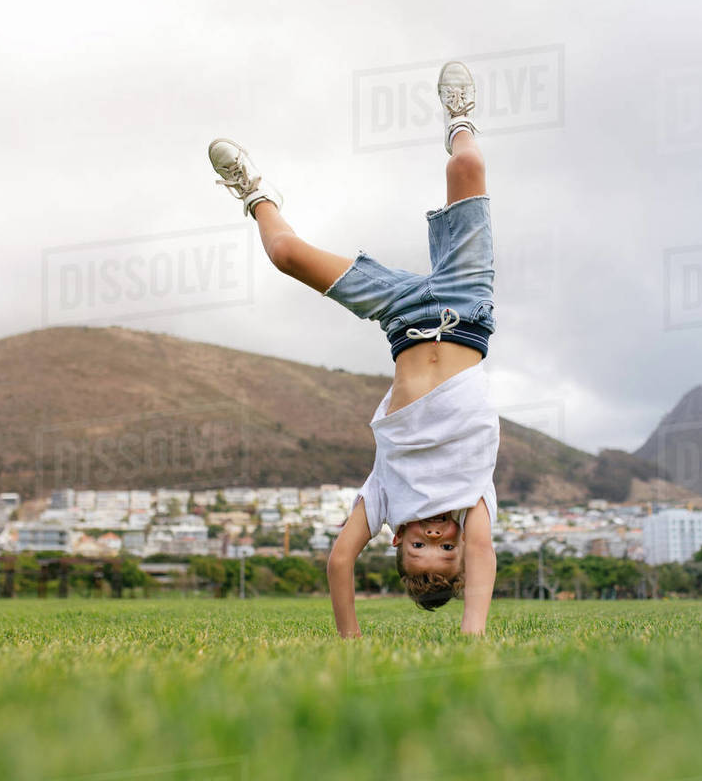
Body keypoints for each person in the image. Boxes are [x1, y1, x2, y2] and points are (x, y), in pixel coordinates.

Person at [208, 61, 499, 638]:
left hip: (402, 318)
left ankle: (255, 194)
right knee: (466, 165)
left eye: (421, 546)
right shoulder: (474, 504)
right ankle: (460, 119)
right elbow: (485, 563)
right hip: (467, 306)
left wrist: (352, 644)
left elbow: (339, 560)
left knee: (286, 256)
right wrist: (472, 636)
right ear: (462, 545)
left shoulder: (385, 498)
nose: (436, 538)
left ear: (398, 539)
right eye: (447, 550)